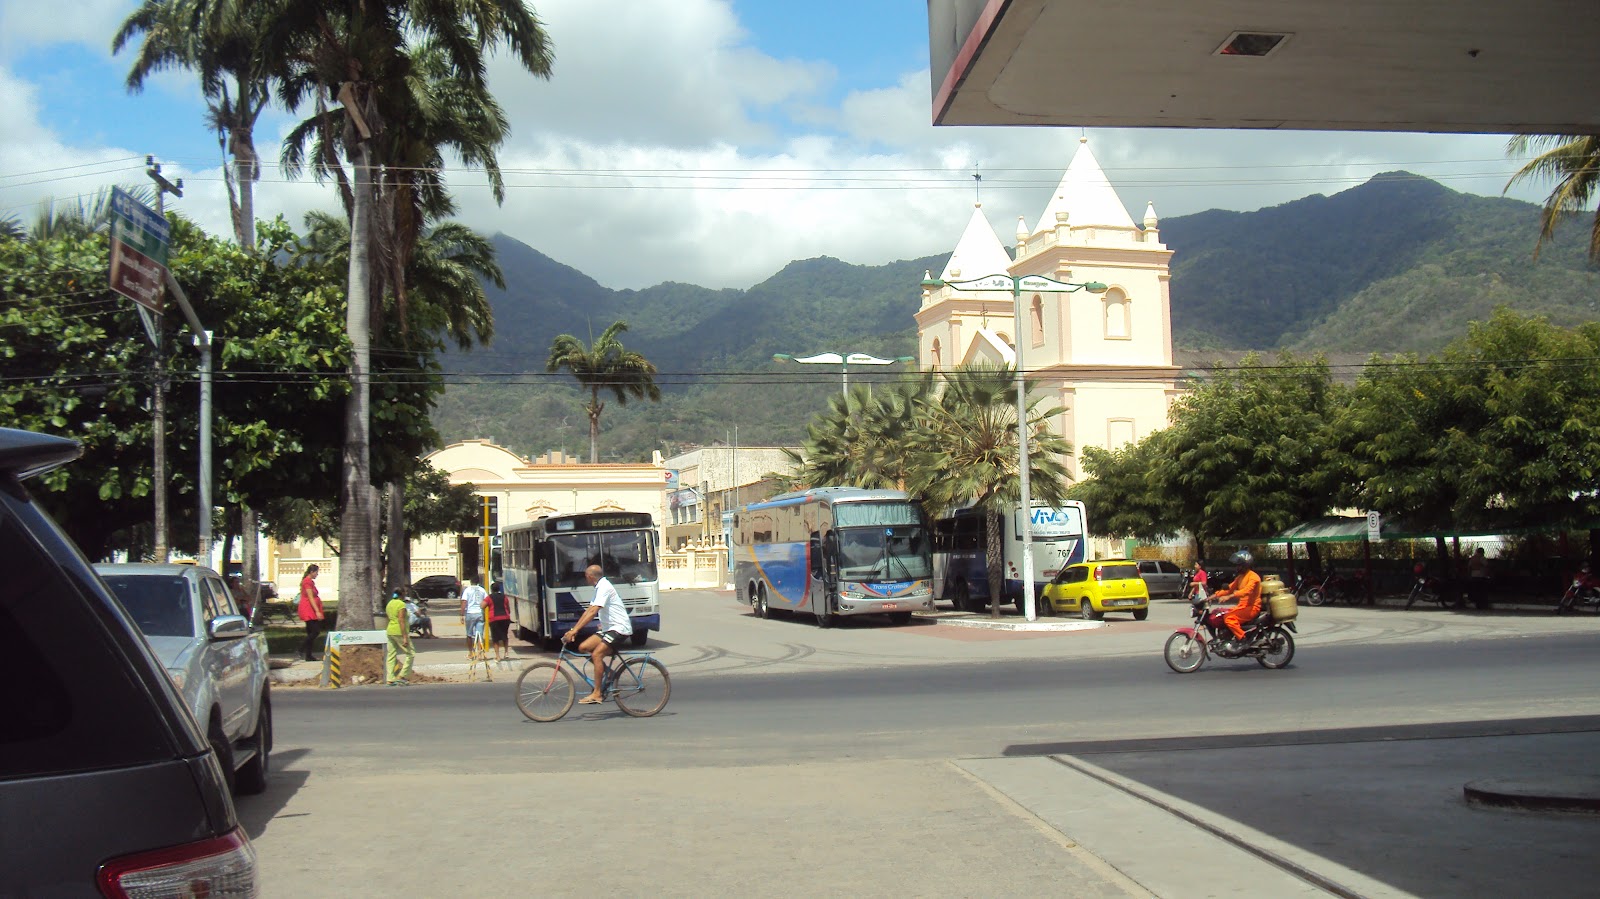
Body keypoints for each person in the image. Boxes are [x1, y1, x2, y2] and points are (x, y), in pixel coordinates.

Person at [564, 564, 633, 704]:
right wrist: (574, 629)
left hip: (619, 629)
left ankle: (597, 694)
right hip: (609, 628)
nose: (585, 579)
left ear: (590, 576)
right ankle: (609, 673)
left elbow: (592, 612)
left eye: (585, 577)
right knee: (583, 647)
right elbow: (588, 611)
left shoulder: (604, 587)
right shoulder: (599, 587)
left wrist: (575, 630)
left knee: (596, 655)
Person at [1208, 550, 1262, 652]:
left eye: (1239, 565)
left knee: (1229, 618)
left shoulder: (1254, 577)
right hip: (1243, 606)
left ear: (1246, 565)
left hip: (1252, 608)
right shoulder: (1240, 577)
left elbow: (1246, 591)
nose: (1237, 567)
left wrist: (1229, 597)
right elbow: (1229, 588)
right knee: (1221, 614)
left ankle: (1242, 639)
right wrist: (1212, 596)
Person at [384, 590, 415, 686]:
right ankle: (402, 675)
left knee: (391, 655)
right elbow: (401, 620)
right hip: (399, 631)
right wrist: (405, 637)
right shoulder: (401, 604)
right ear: (402, 595)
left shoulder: (390, 603)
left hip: (390, 630)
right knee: (410, 653)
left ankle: (390, 678)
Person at [297, 564, 326, 661]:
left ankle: (308, 655)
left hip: (310, 608)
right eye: (316, 572)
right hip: (308, 608)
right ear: (311, 572)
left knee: (310, 632)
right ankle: (300, 648)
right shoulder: (307, 582)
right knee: (315, 631)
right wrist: (317, 611)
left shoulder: (310, 582)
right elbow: (310, 597)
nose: (317, 574)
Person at [460, 576, 488, 658]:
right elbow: (486, 600)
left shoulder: (467, 590)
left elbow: (464, 602)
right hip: (480, 613)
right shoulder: (482, 590)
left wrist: (462, 614)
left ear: (471, 581)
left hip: (470, 613)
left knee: (469, 634)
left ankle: (470, 653)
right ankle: (479, 652)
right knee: (479, 634)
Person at [485, 580, 511, 662]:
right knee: (504, 636)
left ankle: (498, 656)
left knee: (495, 638)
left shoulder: (489, 597)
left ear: (492, 589)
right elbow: (508, 608)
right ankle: (506, 653)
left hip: (494, 619)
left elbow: (482, 605)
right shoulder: (504, 597)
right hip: (505, 618)